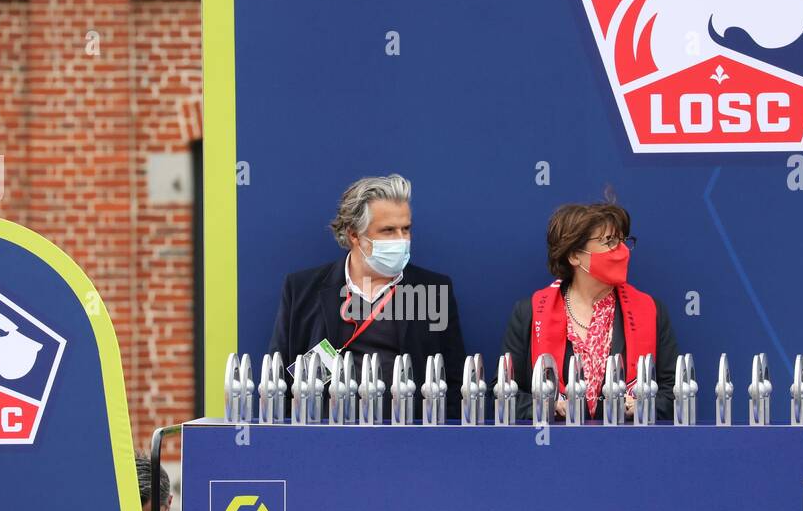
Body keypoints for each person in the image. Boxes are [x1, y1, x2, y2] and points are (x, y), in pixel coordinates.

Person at [269, 174, 467, 419]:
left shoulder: (435, 289)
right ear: (354, 235)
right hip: (326, 435)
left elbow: (456, 381)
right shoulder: (302, 289)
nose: (402, 240)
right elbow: (279, 378)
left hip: (408, 435)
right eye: (388, 231)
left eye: (406, 229)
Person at [502, 197, 678, 421]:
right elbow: (504, 393)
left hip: (629, 445)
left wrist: (645, 405)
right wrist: (546, 406)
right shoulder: (528, 312)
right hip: (550, 446)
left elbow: (675, 392)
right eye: (609, 241)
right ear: (575, 255)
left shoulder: (651, 311)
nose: (623, 251)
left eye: (624, 241)